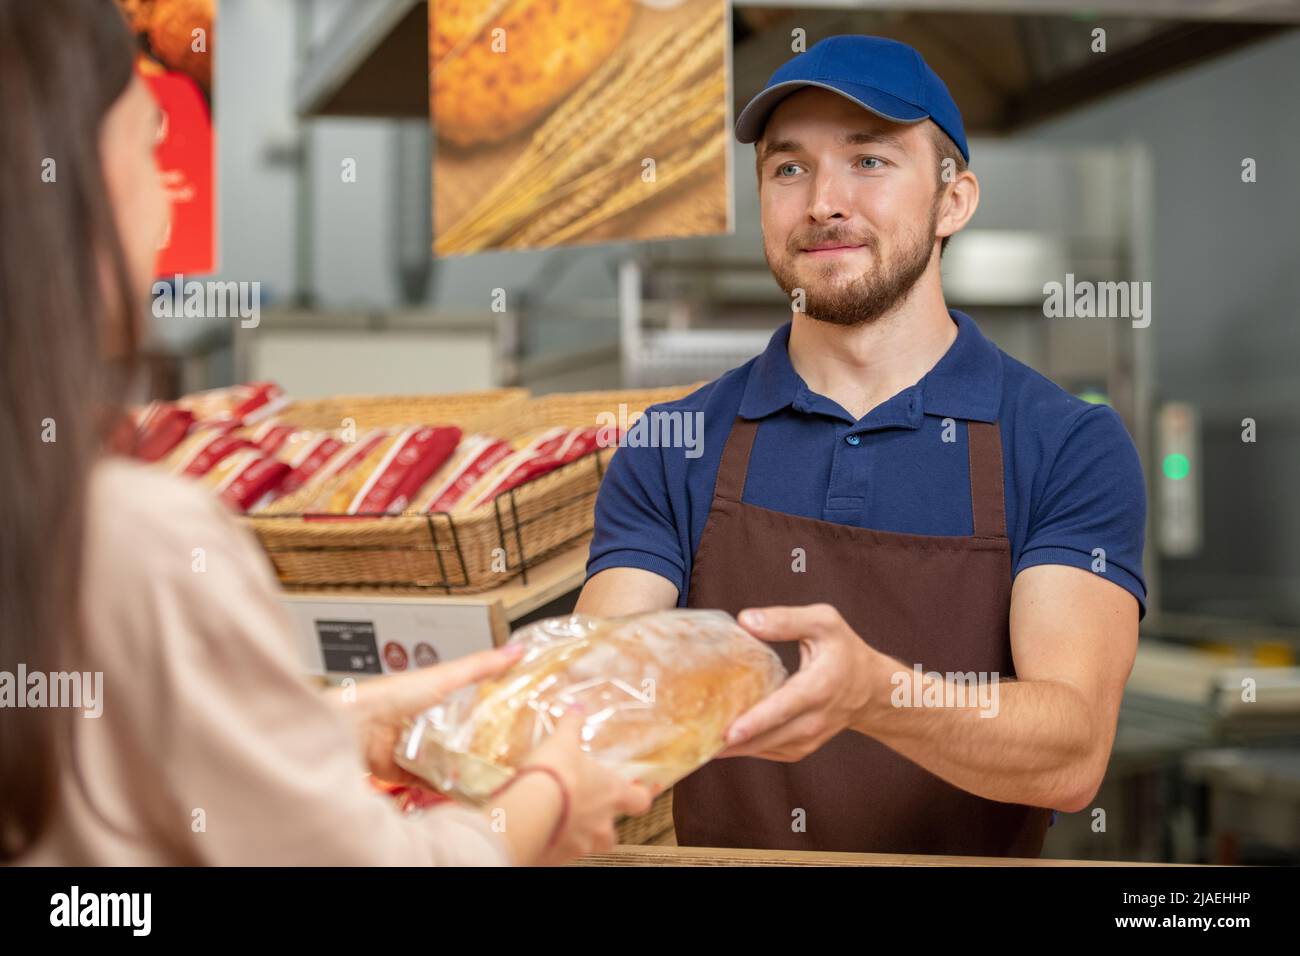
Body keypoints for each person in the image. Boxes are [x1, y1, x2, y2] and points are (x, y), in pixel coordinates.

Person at [0, 0, 651, 866]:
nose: (164, 192)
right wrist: (553, 797)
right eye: (149, 142)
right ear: (78, 194)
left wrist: (336, 725)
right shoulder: (135, 537)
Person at [578, 35, 1146, 857]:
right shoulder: (675, 443)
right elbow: (598, 699)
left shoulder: (1064, 444)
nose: (822, 202)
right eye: (788, 168)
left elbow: (1071, 753)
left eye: (870, 161)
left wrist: (876, 696)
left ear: (954, 202)